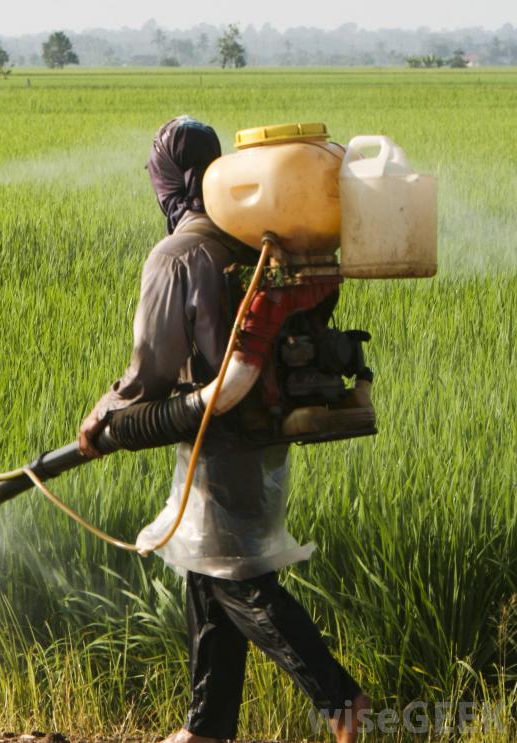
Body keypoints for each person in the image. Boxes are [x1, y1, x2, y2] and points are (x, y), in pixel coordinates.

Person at [77, 116, 369, 743]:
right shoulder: (256, 238)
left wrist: (107, 418)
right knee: (207, 566)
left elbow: (150, 372)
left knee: (234, 577)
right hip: (264, 423)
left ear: (166, 180)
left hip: (223, 424)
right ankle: (207, 729)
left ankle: (340, 699)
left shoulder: (180, 253)